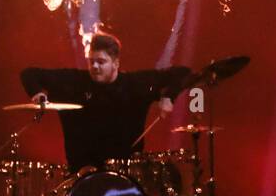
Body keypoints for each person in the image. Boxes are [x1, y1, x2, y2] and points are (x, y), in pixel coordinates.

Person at [20, 32, 189, 173]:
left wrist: (169, 97)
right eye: (91, 61)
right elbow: (29, 73)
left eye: (101, 62)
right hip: (81, 174)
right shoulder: (74, 81)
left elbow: (182, 73)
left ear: (116, 63)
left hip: (125, 175)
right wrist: (38, 94)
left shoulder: (135, 84)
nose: (94, 66)